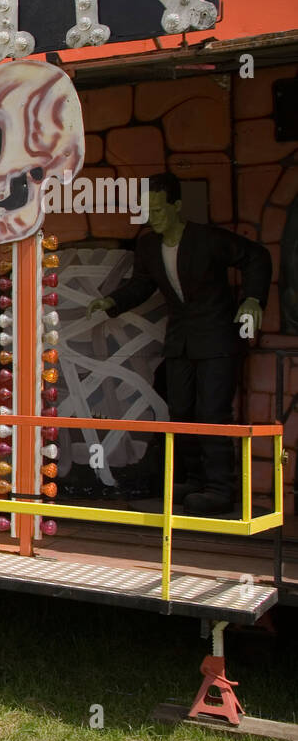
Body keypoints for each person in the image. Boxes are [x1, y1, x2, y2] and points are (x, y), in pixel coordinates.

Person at [87, 173, 271, 514]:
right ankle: (195, 480)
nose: (153, 217)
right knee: (181, 410)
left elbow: (256, 256)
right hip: (180, 341)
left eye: (158, 210)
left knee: (212, 413)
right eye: (148, 210)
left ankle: (220, 487)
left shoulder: (206, 239)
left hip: (217, 339)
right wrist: (111, 302)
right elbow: (141, 285)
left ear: (176, 207)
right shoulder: (147, 246)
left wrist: (253, 299)